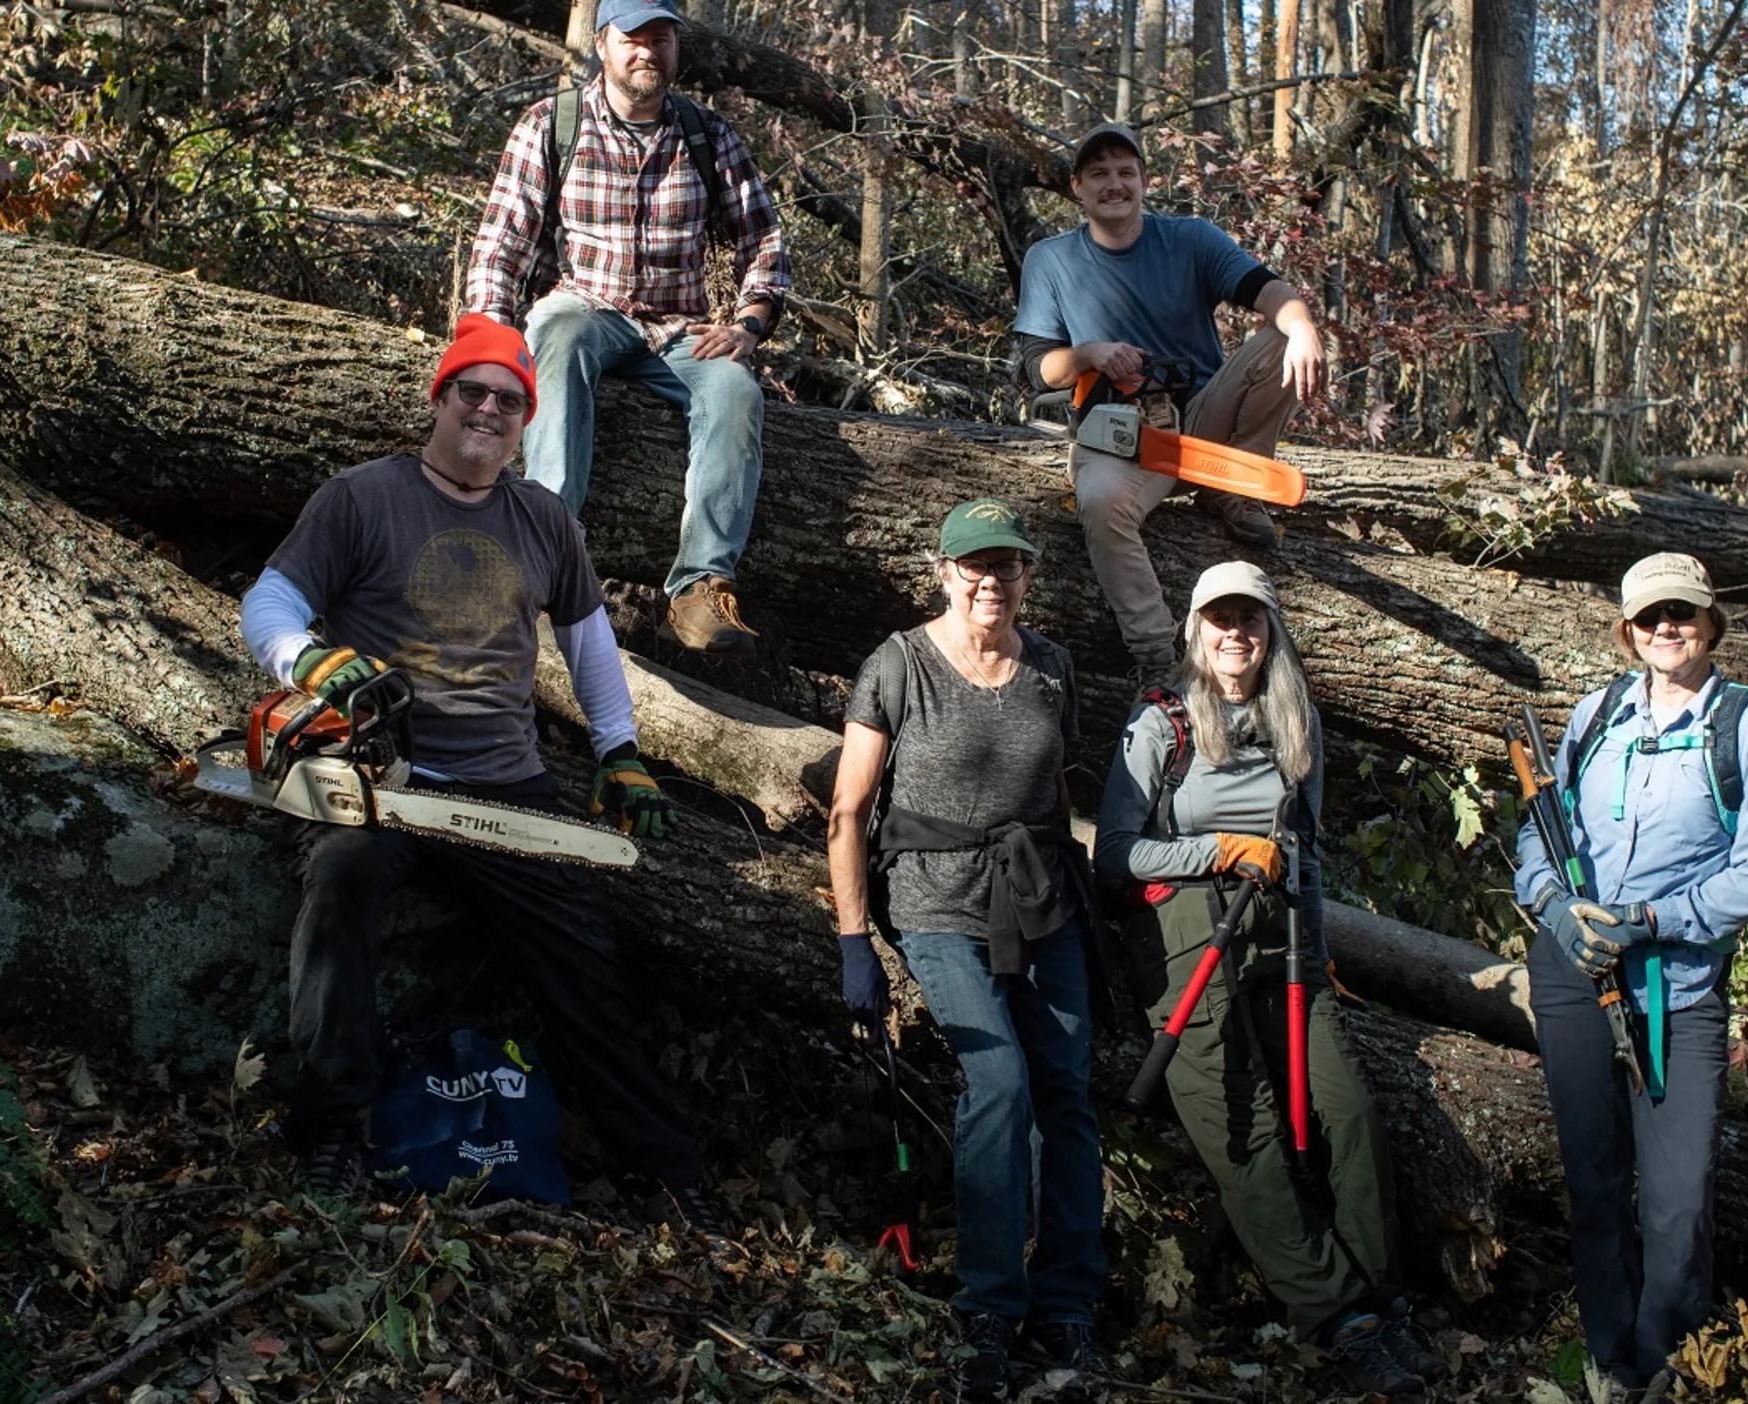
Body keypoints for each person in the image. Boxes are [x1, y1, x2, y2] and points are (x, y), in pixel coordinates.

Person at [237, 314, 713, 1229]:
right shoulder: (362, 496)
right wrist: (307, 661)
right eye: (473, 392)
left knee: (580, 956)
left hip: (506, 785)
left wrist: (619, 751)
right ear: (440, 398)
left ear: (527, 418)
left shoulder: (541, 518)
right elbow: (273, 597)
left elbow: (588, 640)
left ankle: (661, 1171)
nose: (489, 410)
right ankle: (333, 1124)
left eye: (509, 399)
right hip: (381, 772)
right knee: (339, 890)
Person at [1095, 560, 1446, 1399]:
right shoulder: (1162, 725)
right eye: (1218, 618)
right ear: (1194, 629)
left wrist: (1318, 949)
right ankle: (1338, 1316)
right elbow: (1113, 855)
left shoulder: (1298, 723)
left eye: (1249, 618)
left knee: (1350, 1109)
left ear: (1271, 629)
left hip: (1285, 936)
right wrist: (1214, 851)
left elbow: (1308, 851)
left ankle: (1378, 1295)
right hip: (1187, 935)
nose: (1235, 634)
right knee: (1241, 1128)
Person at [824, 499, 1106, 1404]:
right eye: (973, 566)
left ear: (1028, 575)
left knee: (1066, 1094)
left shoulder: (1053, 668)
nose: (991, 581)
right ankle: (988, 1309)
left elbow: (1059, 798)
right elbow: (848, 811)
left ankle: (1065, 1309)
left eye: (1008, 565)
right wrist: (854, 939)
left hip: (1041, 906)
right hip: (936, 904)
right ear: (943, 572)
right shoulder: (898, 664)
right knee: (1001, 1083)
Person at [1512, 552, 1748, 1403]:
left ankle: (1672, 1362)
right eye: (1649, 616)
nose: (1666, 628)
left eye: (1682, 613)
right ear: (1627, 630)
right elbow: (1538, 836)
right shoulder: (1596, 715)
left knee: (1678, 1196)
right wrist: (1558, 909)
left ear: (1710, 623)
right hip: (1573, 975)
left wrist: (1653, 923)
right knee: (1593, 1179)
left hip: (1681, 988)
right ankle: (1611, 1358)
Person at [462, 0, 791, 658]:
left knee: (735, 392)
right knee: (555, 331)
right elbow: (500, 250)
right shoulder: (551, 126)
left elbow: (766, 243)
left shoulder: (708, 136)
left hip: (679, 328)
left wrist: (749, 326)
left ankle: (699, 593)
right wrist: (490, 346)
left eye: (661, 38)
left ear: (675, 48)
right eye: (634, 37)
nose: (648, 51)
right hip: (586, 307)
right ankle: (545, 552)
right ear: (604, 44)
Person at [1013, 122, 1327, 683]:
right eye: (1100, 175)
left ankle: (1230, 487)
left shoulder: (1190, 239)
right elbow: (1038, 369)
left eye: (1125, 173)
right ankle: (1160, 658)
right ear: (1078, 187)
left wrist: (1301, 324)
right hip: (1122, 435)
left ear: (1143, 181)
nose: (1115, 185)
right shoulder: (1051, 259)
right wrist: (1089, 353)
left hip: (1203, 421)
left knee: (1281, 334)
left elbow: (1266, 288)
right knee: (1103, 502)